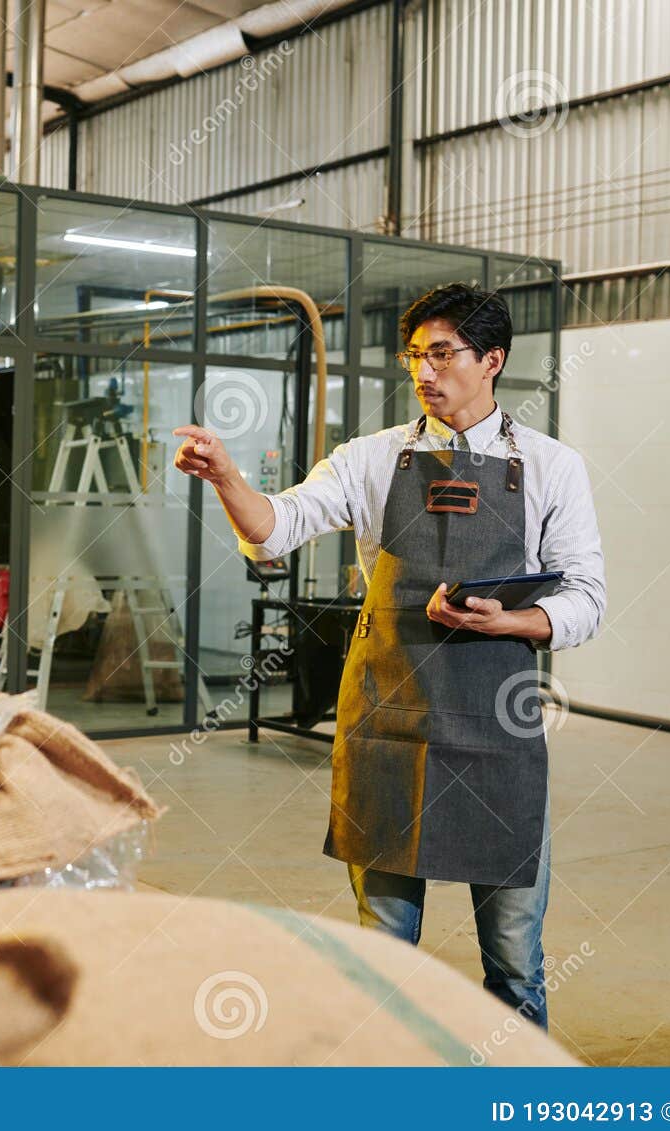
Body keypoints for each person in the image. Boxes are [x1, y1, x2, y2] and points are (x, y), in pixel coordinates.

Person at [171, 282, 606, 1030]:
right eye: (415, 355)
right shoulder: (372, 460)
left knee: (512, 958)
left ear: (492, 360)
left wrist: (509, 621)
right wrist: (229, 479)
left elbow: (586, 599)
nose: (423, 372)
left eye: (442, 354)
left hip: (497, 737)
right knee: (382, 955)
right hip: (388, 729)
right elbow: (278, 529)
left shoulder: (551, 466)